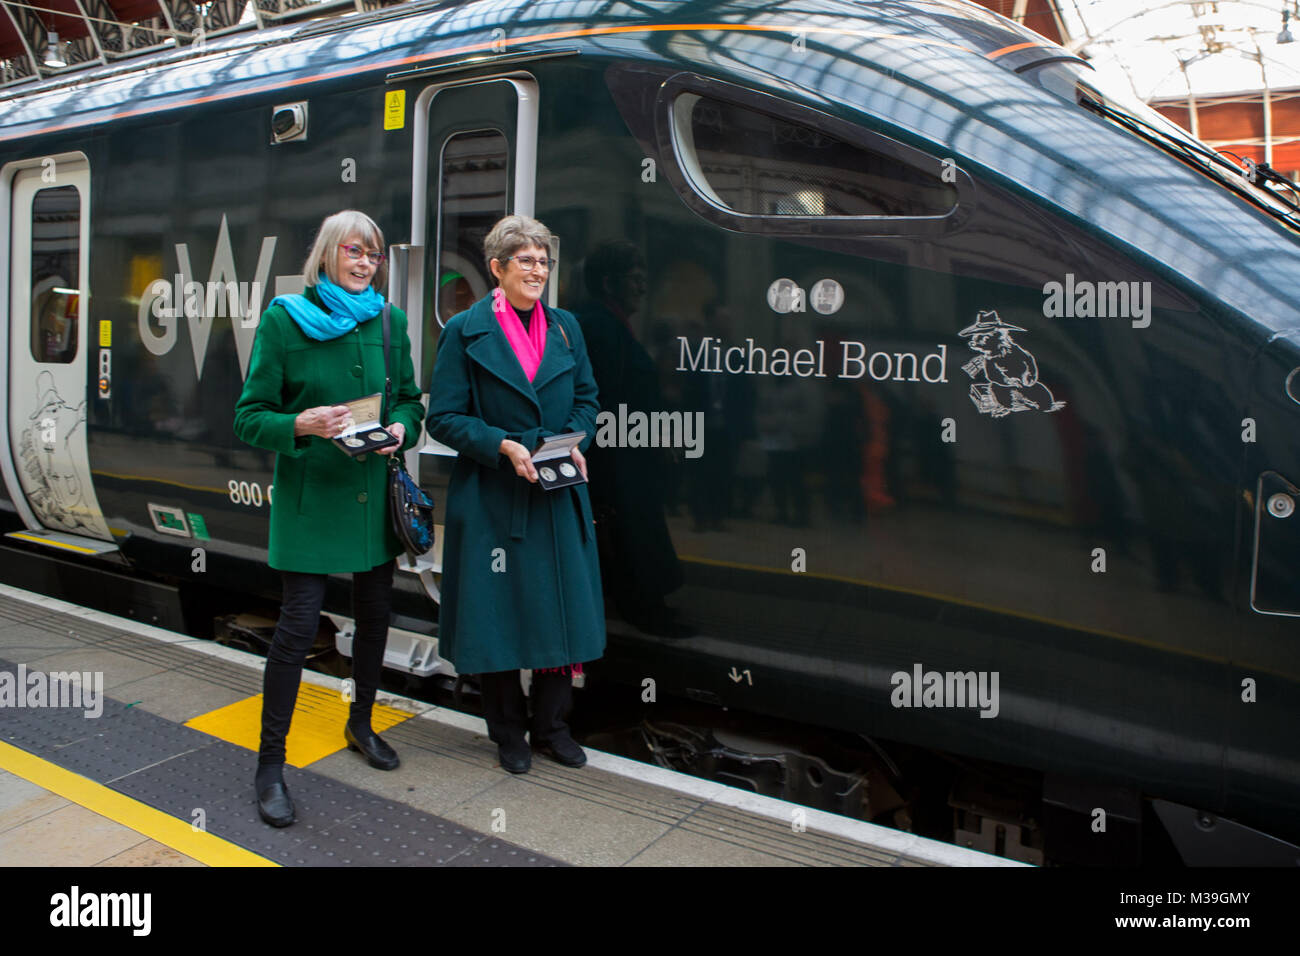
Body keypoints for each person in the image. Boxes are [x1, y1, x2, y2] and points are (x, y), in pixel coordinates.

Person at [233, 210, 424, 827]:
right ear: (327, 255)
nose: (365, 262)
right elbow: (249, 415)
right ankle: (270, 766)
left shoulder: (390, 322)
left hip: (371, 503)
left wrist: (401, 427)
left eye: (373, 254)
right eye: (354, 251)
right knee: (296, 631)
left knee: (374, 618)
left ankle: (360, 723)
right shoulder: (285, 319)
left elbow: (410, 401)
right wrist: (300, 423)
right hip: (312, 502)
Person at [426, 214, 604, 774]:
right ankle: (507, 732)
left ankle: (552, 727)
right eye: (525, 260)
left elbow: (587, 399)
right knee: (497, 617)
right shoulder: (464, 331)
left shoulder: (567, 328)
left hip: (554, 488)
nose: (537, 271)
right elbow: (444, 418)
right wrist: (503, 444)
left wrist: (573, 439)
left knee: (559, 615)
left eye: (544, 261)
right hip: (492, 496)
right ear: (497, 268)